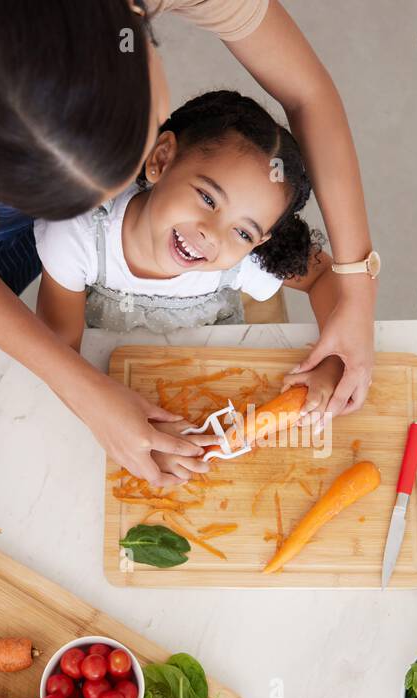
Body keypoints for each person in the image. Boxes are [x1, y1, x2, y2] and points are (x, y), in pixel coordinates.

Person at [0, 0, 378, 485]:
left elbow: (305, 92)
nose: (102, 213)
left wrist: (356, 287)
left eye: (128, 159)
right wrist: (84, 392)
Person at [34, 90, 345, 483]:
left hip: (216, 404)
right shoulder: (80, 236)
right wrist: (123, 424)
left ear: (259, 243)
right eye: (207, 198)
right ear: (162, 159)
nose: (211, 235)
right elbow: (56, 353)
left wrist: (333, 361)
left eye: (243, 231)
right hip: (108, 391)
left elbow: (329, 276)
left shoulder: (244, 260)